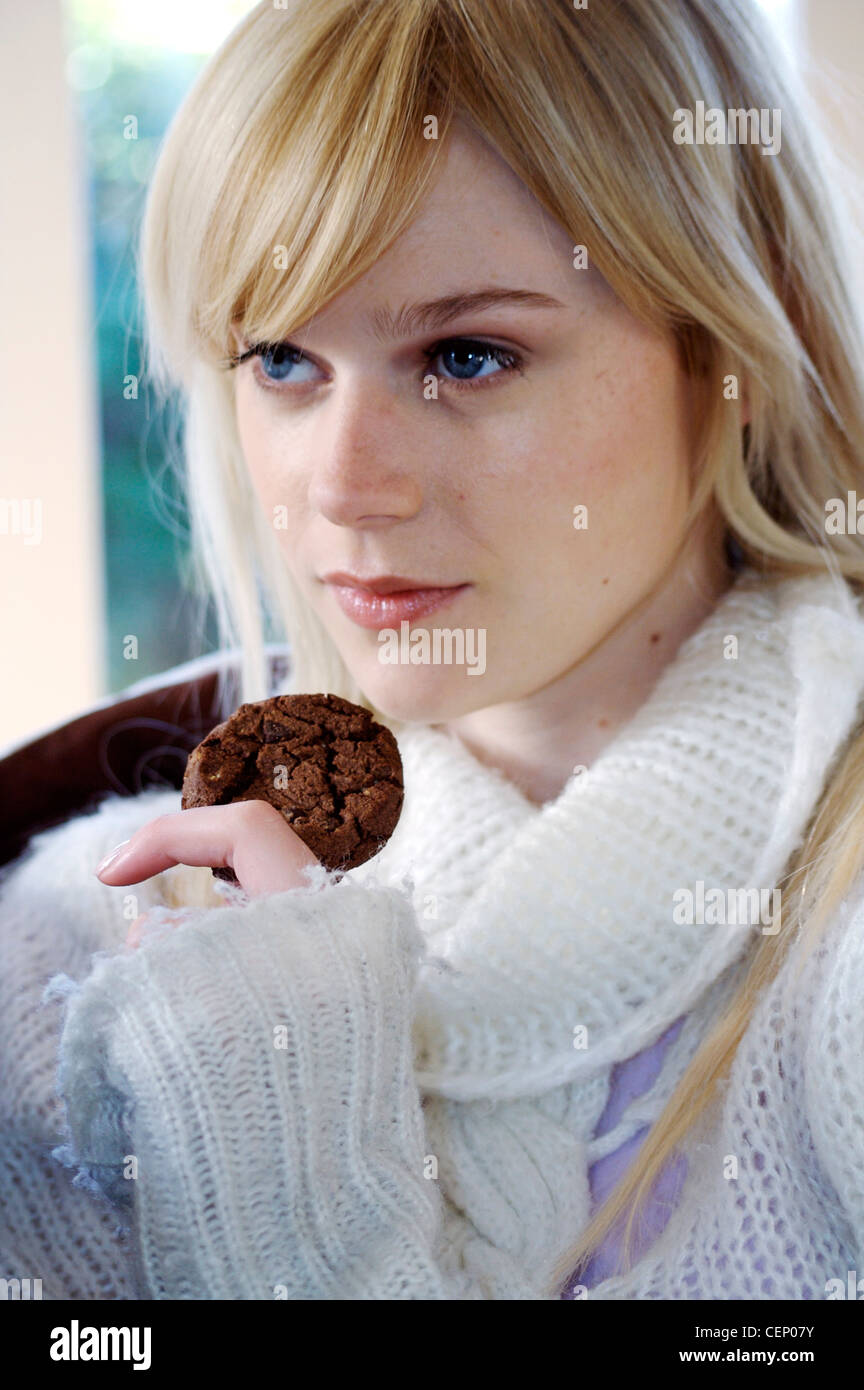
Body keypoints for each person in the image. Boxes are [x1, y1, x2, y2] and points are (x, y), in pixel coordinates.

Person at [3, 0, 864, 1301]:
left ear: (731, 351)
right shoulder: (72, 948)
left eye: (467, 354)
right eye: (281, 357)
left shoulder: (834, 964)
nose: (344, 487)